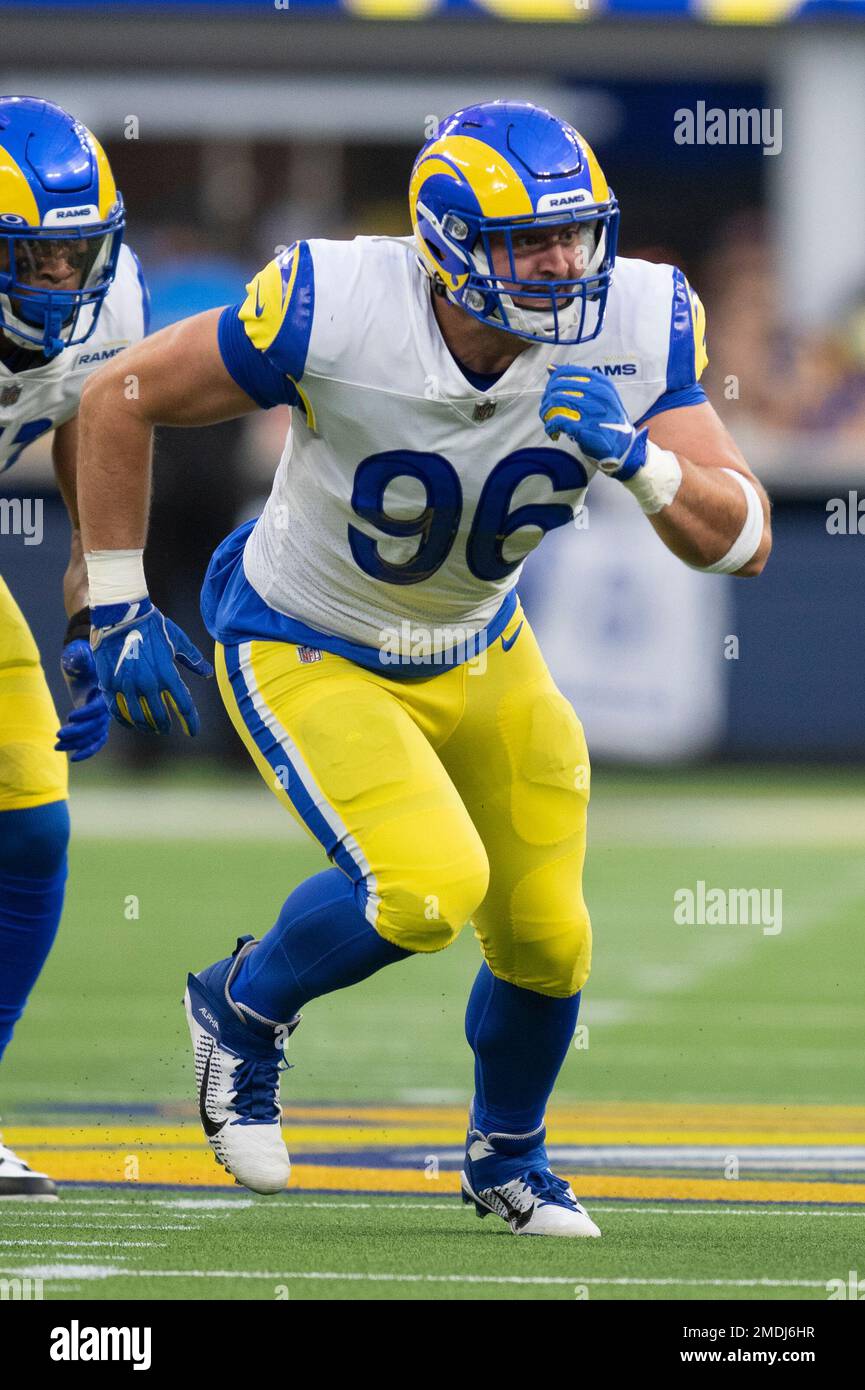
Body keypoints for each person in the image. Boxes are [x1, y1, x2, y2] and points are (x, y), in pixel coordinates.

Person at [77, 101, 771, 1237]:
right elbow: (123, 395)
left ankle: (508, 1154)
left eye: (577, 233)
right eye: (527, 240)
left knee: (550, 935)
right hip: (308, 638)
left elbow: (743, 540)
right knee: (426, 886)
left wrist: (640, 463)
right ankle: (240, 1009)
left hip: (481, 645)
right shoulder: (334, 302)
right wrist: (113, 602)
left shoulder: (641, 317)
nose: (564, 262)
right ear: (447, 246)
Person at [0, 95, 148, 1197]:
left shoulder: (112, 304)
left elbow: (82, 430)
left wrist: (95, 606)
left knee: (28, 828)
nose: (60, 282)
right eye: (32, 257)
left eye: (73, 255)